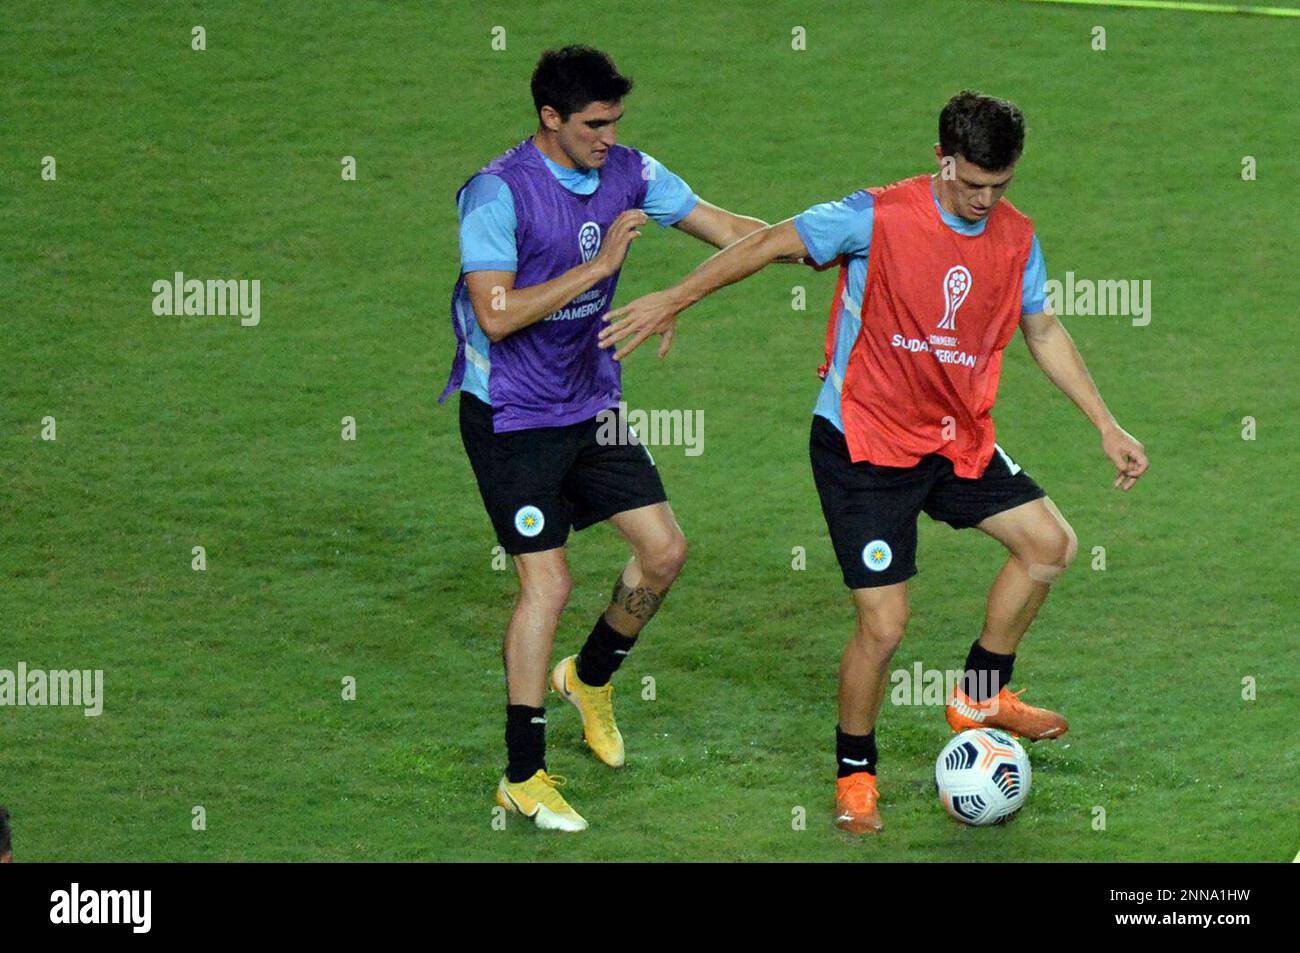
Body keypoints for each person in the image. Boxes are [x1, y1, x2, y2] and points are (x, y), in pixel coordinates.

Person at [598, 90, 1149, 833]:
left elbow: (1041, 328)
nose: (985, 199)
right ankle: (856, 770)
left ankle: (981, 694)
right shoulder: (876, 215)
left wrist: (1106, 423)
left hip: (954, 439)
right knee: (885, 626)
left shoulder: (1017, 237)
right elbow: (766, 244)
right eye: (972, 183)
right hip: (864, 443)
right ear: (941, 158)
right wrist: (676, 298)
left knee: (1049, 544)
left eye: (1001, 185)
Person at [442, 45, 787, 831]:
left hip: (589, 405)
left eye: (616, 122)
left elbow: (728, 227)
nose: (609, 137)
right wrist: (598, 274)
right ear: (550, 118)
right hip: (511, 418)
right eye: (594, 125)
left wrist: (818, 247)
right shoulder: (497, 194)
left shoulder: (630, 171)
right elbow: (494, 314)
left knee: (664, 551)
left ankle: (590, 676)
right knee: (549, 584)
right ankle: (521, 774)